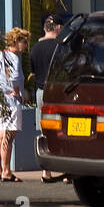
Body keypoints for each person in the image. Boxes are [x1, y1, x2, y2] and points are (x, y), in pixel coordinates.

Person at [30, 16, 68, 183]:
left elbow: (33, 72)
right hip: (58, 91)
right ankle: (68, 170)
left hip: (41, 92)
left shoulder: (35, 48)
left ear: (45, 28)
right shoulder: (61, 47)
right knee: (65, 128)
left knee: (43, 130)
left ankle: (46, 171)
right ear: (58, 28)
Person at [0, 28, 28, 182]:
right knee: (9, 136)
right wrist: (17, 92)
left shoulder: (0, 55)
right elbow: (15, 77)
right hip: (11, 100)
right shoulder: (14, 58)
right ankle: (6, 170)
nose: (25, 45)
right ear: (16, 41)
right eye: (24, 42)